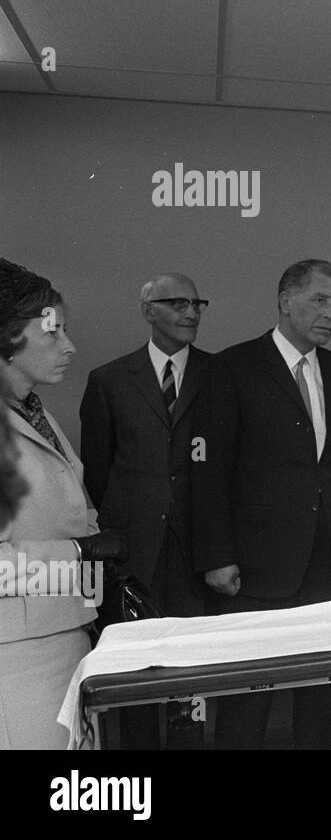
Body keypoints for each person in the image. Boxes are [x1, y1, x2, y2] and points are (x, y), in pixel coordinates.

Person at [191, 259, 331, 750]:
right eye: (319, 300)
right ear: (285, 300)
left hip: (328, 561)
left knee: (322, 695)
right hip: (253, 565)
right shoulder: (233, 367)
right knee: (249, 700)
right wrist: (216, 555)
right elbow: (209, 469)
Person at [79, 272, 211, 749]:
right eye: (177, 303)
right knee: (137, 675)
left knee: (194, 674)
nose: (190, 312)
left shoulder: (219, 375)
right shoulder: (109, 381)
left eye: (197, 303)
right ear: (147, 310)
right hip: (135, 556)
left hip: (199, 552)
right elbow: (96, 475)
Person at [0, 259, 122, 750]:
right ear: (6, 336)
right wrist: (78, 556)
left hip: (66, 635)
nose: (69, 346)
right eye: (52, 332)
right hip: (18, 661)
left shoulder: (33, 410)